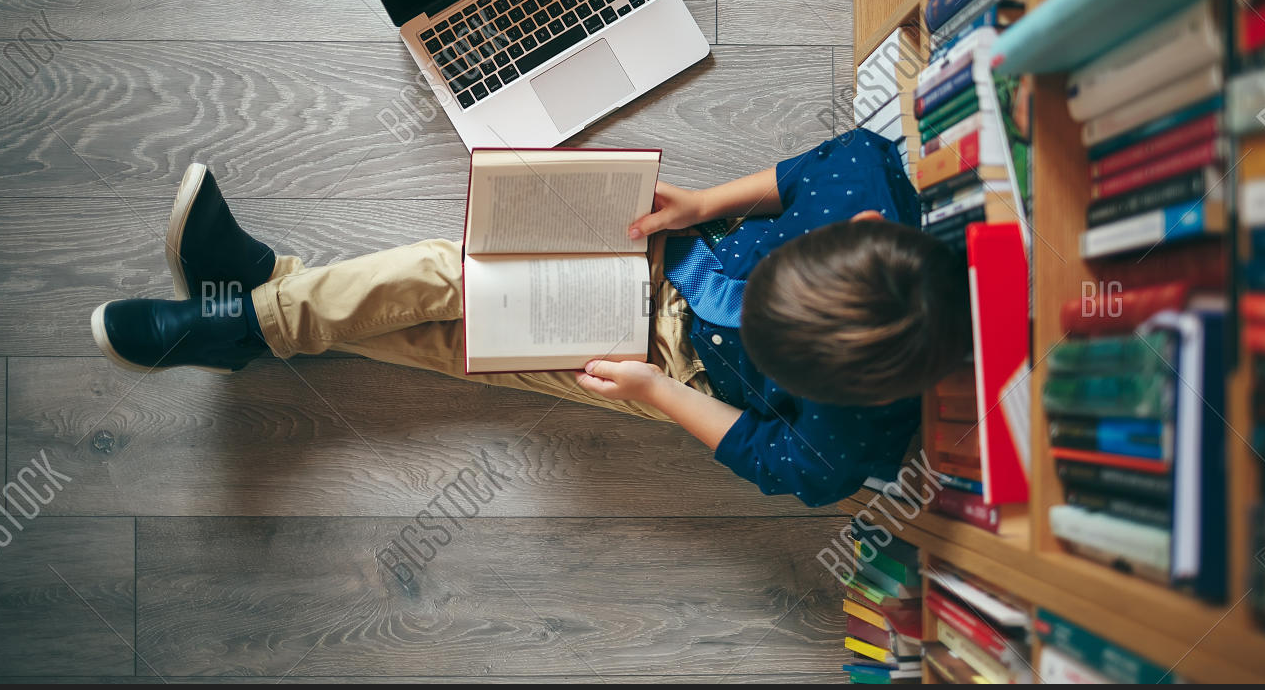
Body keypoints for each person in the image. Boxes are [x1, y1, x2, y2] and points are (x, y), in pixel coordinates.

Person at [90, 131, 971, 506]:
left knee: (465, 331)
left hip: (679, 367)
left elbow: (788, 466)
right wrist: (704, 202)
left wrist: (656, 390)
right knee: (452, 275)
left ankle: (245, 312)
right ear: (863, 227)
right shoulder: (866, 180)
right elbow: (807, 168)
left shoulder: (858, 432)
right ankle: (252, 307)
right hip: (672, 251)